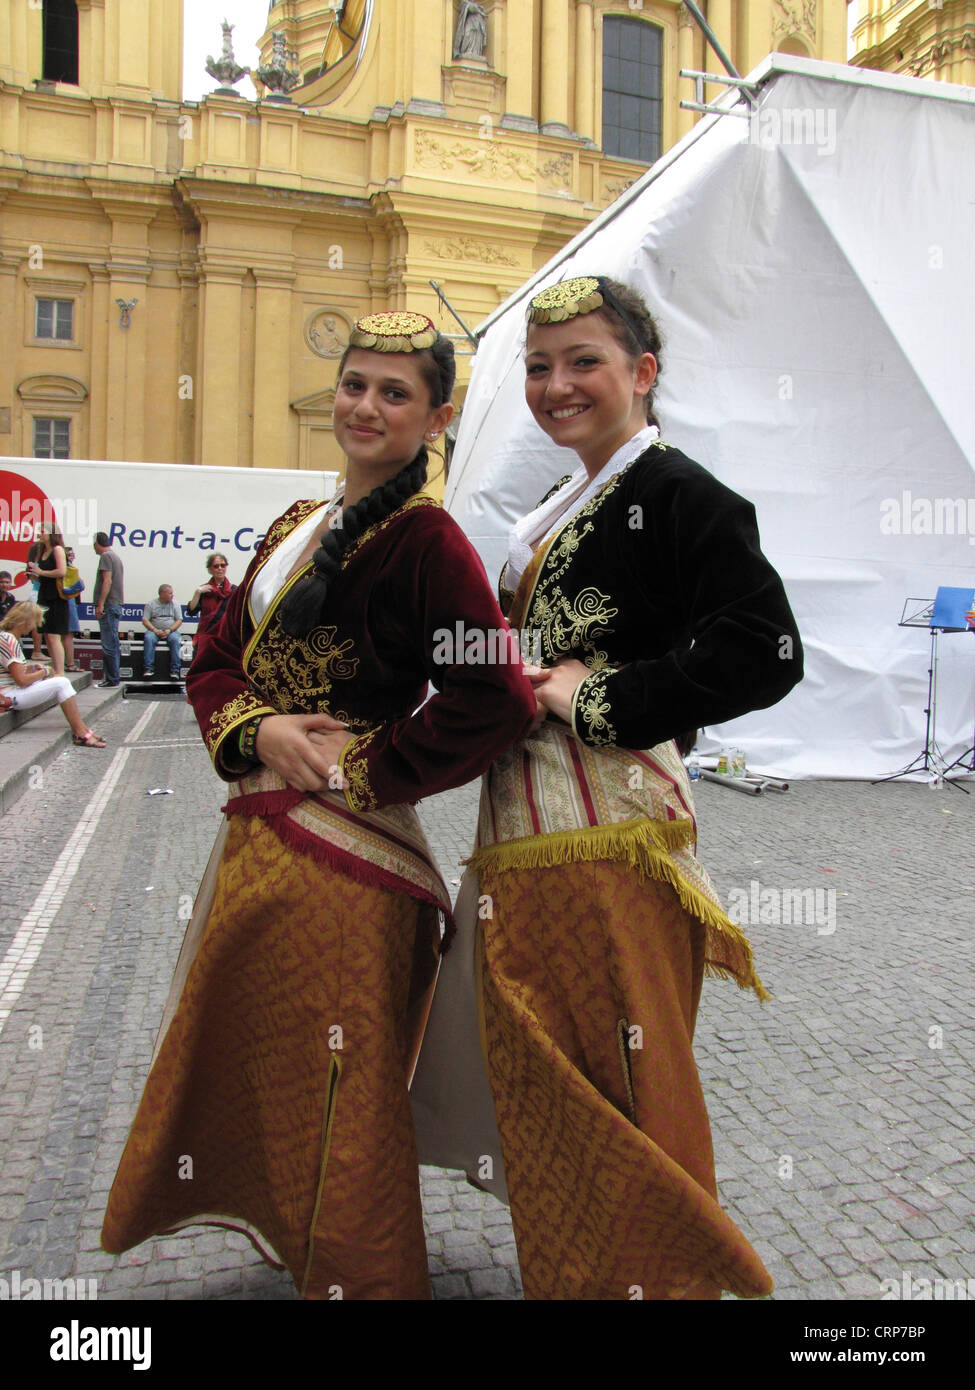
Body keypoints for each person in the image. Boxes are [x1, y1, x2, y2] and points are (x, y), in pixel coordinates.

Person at [100, 310, 537, 1300]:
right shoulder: (294, 525)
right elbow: (213, 660)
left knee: (339, 1076)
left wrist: (372, 767)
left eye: (395, 392)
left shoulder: (430, 542)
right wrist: (263, 733)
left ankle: (361, 1273)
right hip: (259, 845)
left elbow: (497, 693)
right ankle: (307, 1247)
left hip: (352, 862)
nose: (367, 405)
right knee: (266, 1054)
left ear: (438, 415)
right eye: (355, 384)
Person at [461, 276, 803, 1300]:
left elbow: (767, 649)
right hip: (517, 836)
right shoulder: (558, 502)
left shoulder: (679, 492)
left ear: (643, 373)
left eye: (583, 362)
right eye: (537, 366)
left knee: (622, 1078)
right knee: (543, 1080)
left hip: (609, 835)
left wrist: (602, 698)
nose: (556, 384)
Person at [0, 602, 105, 746]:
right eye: (34, 623)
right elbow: (22, 681)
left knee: (60, 682)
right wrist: (44, 672)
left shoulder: (6, 638)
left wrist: (31, 670)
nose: (35, 628)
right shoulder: (9, 640)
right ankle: (81, 732)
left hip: (9, 691)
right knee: (61, 683)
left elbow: (11, 672)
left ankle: (82, 730)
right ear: (26, 621)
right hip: (7, 695)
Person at [26, 524, 70, 676]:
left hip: (56, 597)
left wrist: (41, 571)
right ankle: (56, 670)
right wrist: (34, 574)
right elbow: (42, 575)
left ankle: (60, 672)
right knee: (47, 634)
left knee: (54, 635)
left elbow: (61, 571)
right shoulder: (41, 551)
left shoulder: (58, 550)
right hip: (44, 594)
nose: (40, 534)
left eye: (42, 531)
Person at [185, 554, 233, 659]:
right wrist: (197, 592)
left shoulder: (234, 590)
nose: (220, 568)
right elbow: (191, 611)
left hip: (225, 638)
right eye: (216, 566)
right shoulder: (203, 589)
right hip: (206, 636)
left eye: (223, 565)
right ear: (210, 569)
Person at [93, 532, 124, 687]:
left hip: (109, 605)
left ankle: (111, 679)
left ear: (96, 543)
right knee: (113, 642)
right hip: (115, 605)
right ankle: (113, 677)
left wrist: (100, 604)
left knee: (108, 644)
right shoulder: (115, 557)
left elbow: (107, 580)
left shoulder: (105, 557)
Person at [141, 584, 183, 679]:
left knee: (176, 640)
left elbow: (179, 620)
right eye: (170, 593)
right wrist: (154, 630)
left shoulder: (175, 604)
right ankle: (148, 669)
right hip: (154, 631)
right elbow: (145, 620)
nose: (172, 595)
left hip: (171, 631)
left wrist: (170, 630)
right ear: (162, 594)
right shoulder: (151, 604)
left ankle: (175, 671)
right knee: (148, 638)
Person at [62, 546, 84, 671]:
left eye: (72, 554)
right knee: (68, 635)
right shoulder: (69, 568)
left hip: (62, 602)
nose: (72, 557)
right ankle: (70, 664)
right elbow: (81, 585)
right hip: (68, 602)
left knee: (60, 635)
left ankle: (64, 663)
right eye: (70, 555)